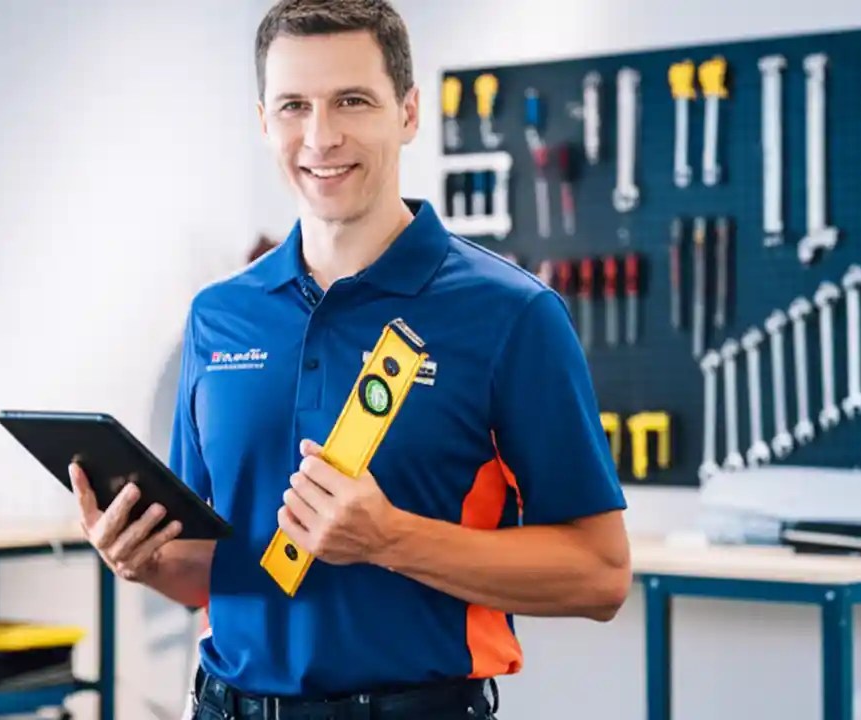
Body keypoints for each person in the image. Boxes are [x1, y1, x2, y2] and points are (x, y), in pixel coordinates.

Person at [69, 0, 631, 717]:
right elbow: (217, 572)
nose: (321, 136)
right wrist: (143, 559)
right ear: (263, 121)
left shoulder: (511, 315)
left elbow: (600, 574)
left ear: (408, 111)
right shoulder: (219, 316)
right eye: (294, 106)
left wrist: (391, 538)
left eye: (353, 101)